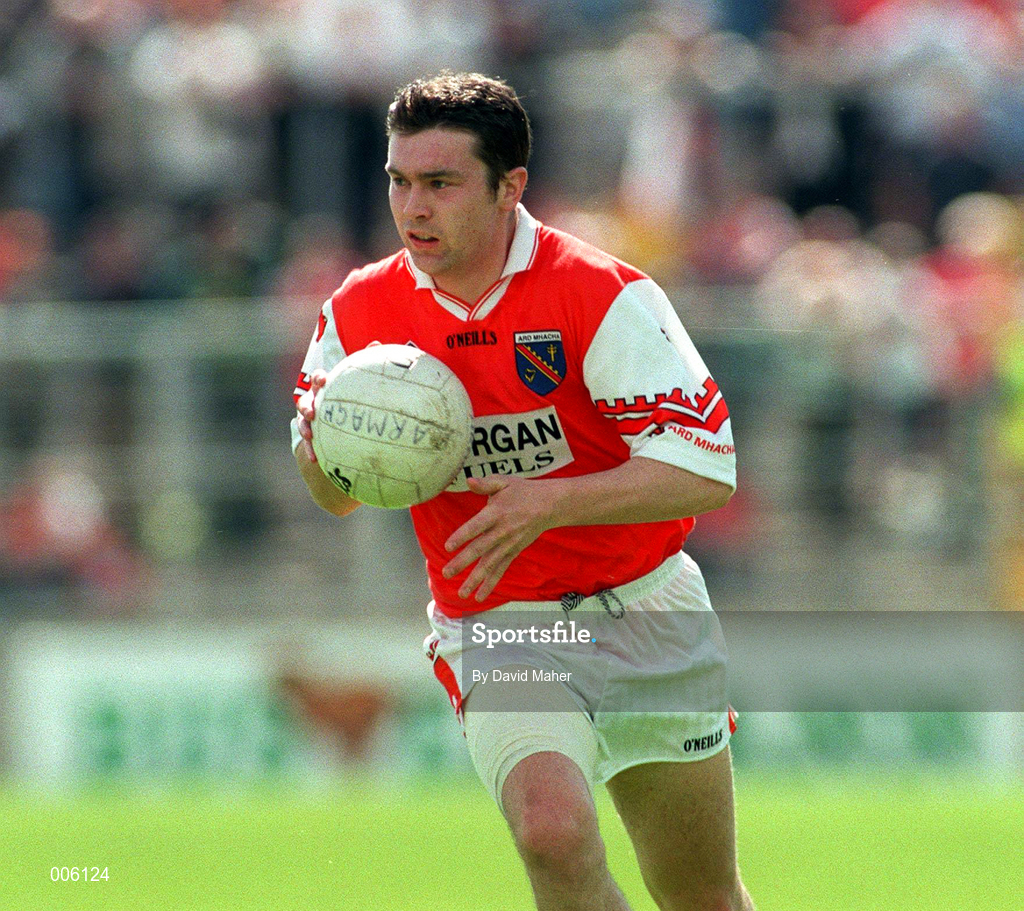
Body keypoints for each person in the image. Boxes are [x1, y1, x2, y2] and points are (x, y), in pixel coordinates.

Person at [292, 71, 754, 911]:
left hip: (649, 608)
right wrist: (340, 444)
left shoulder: (601, 293)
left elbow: (707, 468)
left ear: (511, 187)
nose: (413, 207)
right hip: (503, 622)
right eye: (399, 180)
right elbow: (332, 496)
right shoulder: (360, 313)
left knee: (702, 895)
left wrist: (550, 500)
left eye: (440, 183)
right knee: (551, 829)